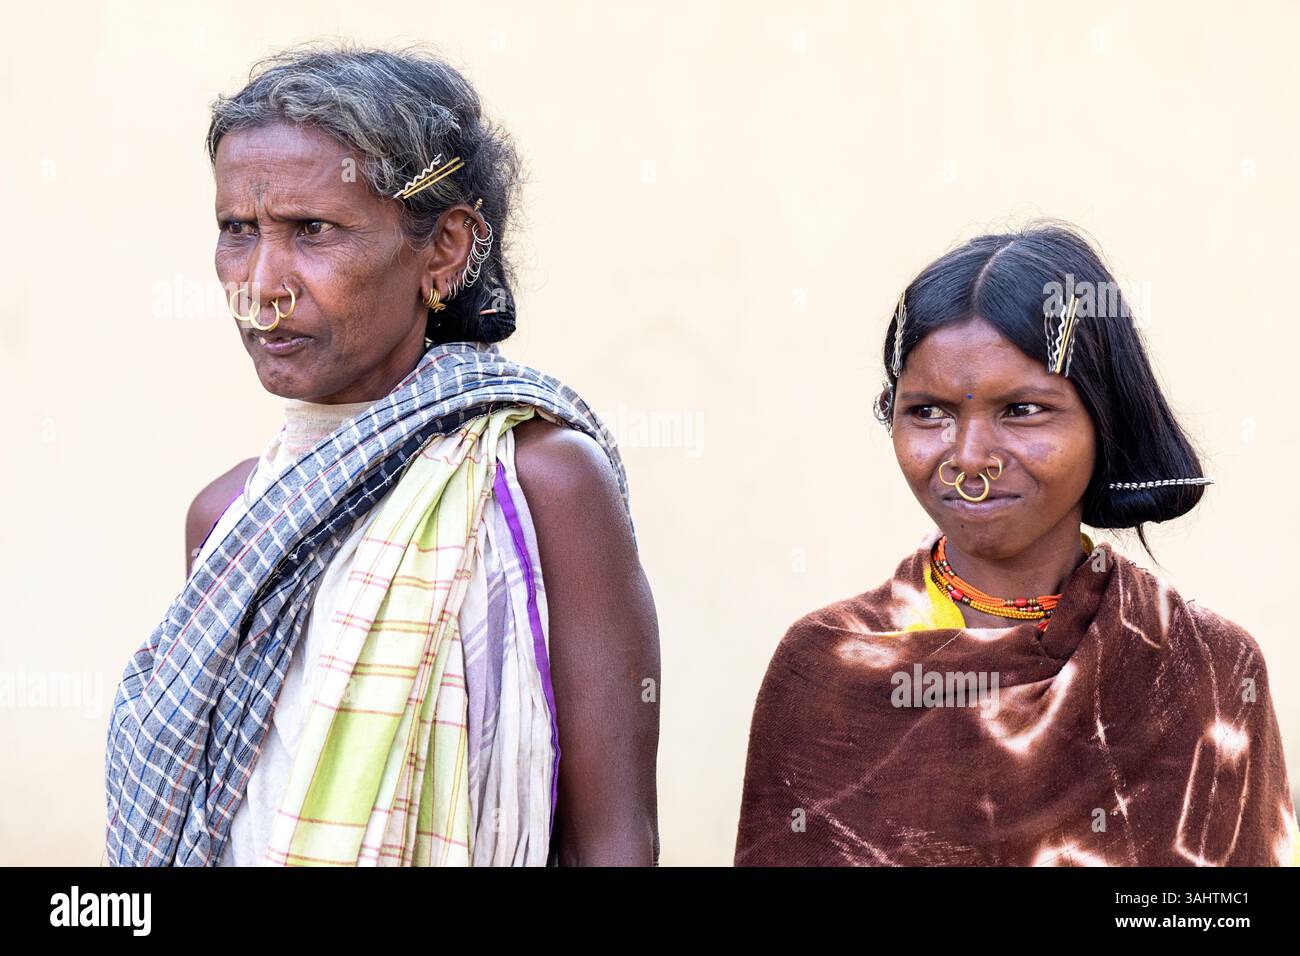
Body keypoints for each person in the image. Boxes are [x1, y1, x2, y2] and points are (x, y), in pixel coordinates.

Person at [105, 44, 659, 867]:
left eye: (312, 231)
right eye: (236, 231)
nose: (260, 283)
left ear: (443, 252)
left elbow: (615, 840)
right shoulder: (227, 522)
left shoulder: (540, 481)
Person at [735, 220, 1297, 866]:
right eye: (928, 412)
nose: (970, 458)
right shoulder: (827, 674)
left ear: (1102, 418)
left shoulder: (1207, 671)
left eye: (1023, 410)